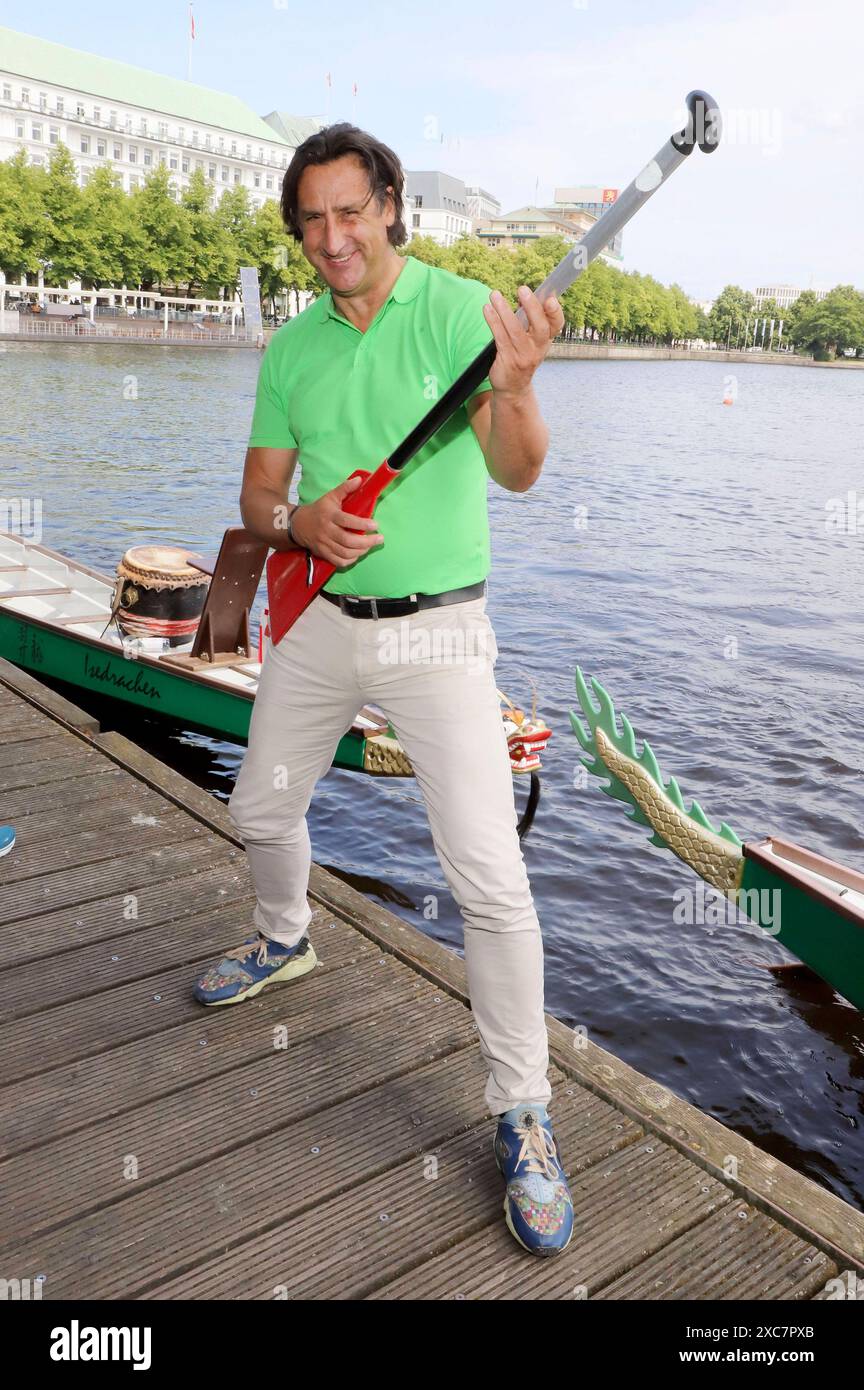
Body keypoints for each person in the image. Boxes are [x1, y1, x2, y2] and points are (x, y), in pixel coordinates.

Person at [193, 123, 573, 1256]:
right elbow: (260, 501)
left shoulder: (462, 312)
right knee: (258, 808)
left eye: (350, 210)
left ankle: (524, 1110)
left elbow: (520, 467)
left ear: (392, 203)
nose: (332, 237)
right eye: (310, 220)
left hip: (441, 635)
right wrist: (297, 522)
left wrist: (516, 385)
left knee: (489, 882)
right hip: (319, 626)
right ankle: (284, 934)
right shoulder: (292, 349)